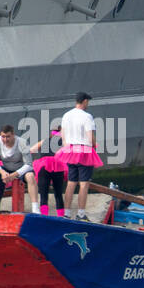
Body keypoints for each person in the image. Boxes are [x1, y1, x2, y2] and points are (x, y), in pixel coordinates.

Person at [58, 92, 102, 221]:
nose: (88, 104)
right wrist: (94, 145)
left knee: (71, 182)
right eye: (88, 101)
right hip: (84, 151)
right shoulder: (87, 116)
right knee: (84, 184)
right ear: (84, 101)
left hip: (70, 150)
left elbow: (63, 135)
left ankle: (66, 213)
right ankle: (81, 214)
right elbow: (90, 136)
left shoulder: (66, 115)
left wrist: (67, 148)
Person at [0, 125, 37, 212]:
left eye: (8, 136)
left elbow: (28, 164)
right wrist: (2, 172)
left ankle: (35, 208)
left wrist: (13, 175)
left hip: (20, 168)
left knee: (30, 176)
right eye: (3, 137)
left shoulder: (22, 142)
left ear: (13, 135)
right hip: (5, 168)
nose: (5, 139)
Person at [30, 125, 67, 216]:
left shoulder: (44, 141)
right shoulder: (64, 141)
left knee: (43, 194)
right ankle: (61, 217)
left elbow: (31, 150)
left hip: (44, 165)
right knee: (58, 194)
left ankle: (44, 216)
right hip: (58, 166)